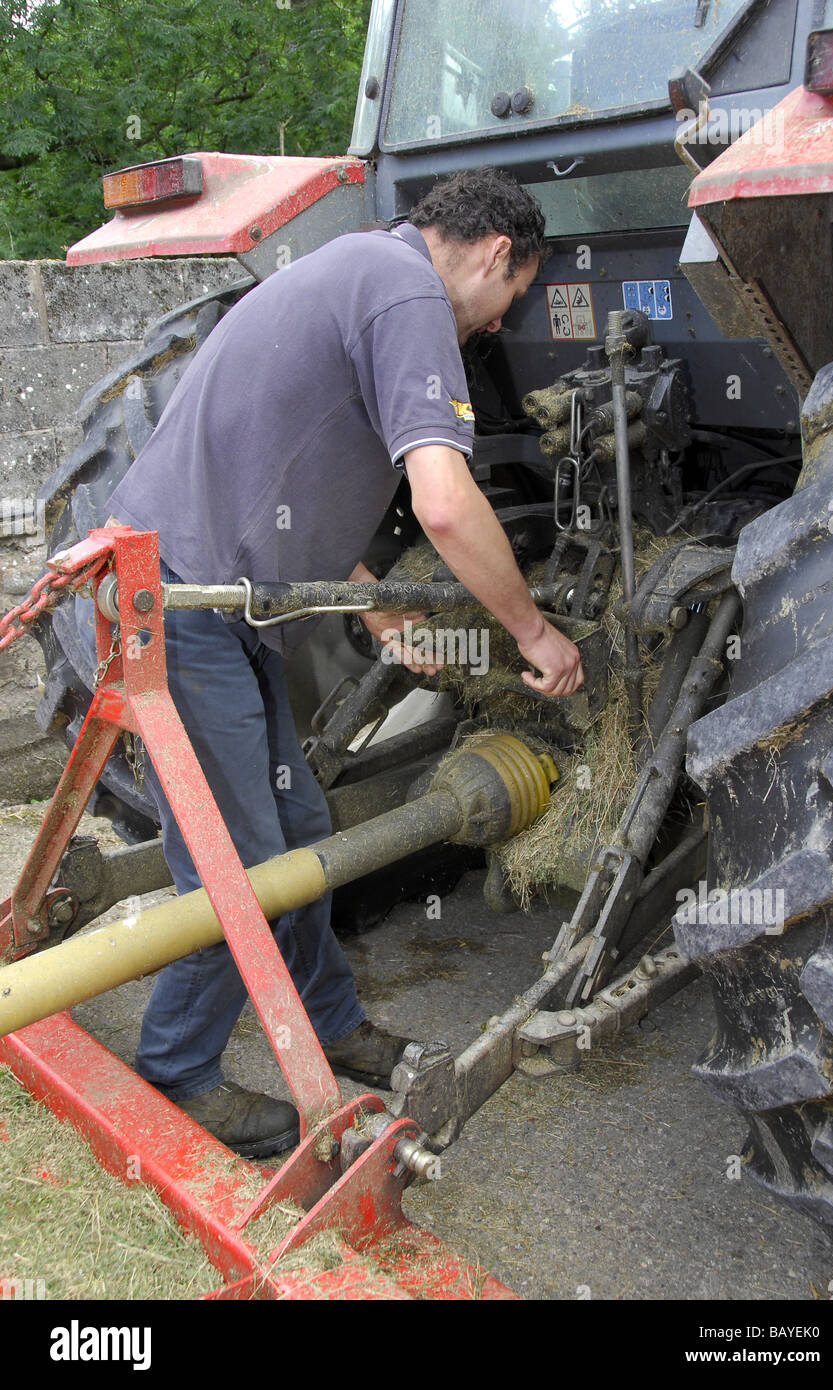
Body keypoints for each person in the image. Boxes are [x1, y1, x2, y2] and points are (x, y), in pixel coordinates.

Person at [103, 167, 584, 1157]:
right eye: (513, 297)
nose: (498, 325)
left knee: (304, 827)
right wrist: (535, 632)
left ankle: (328, 1021)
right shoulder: (413, 297)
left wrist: (371, 595)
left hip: (212, 592)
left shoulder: (359, 265)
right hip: (182, 606)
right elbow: (446, 504)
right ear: (496, 254)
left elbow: (280, 450)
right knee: (240, 866)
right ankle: (178, 1072)